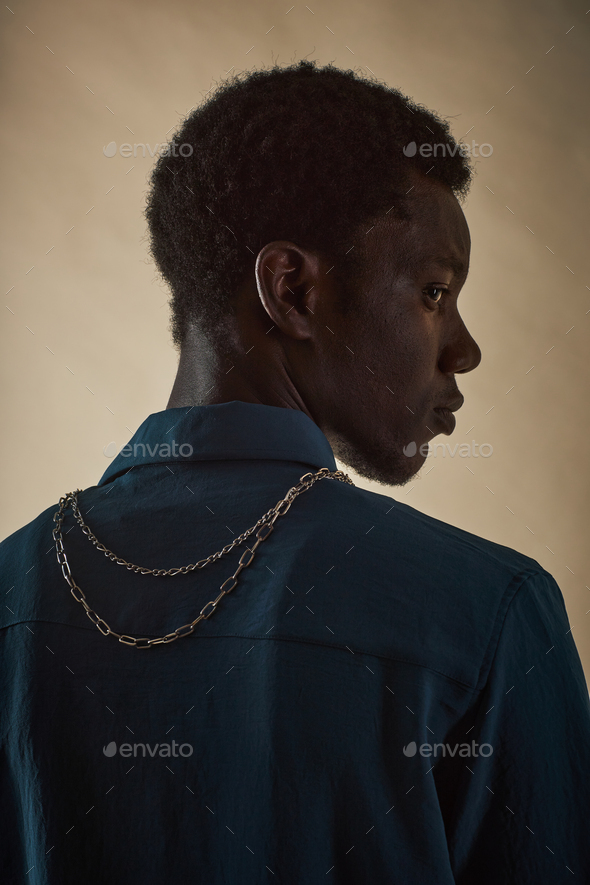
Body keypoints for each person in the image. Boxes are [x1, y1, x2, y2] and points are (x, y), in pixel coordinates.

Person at [1, 60, 588, 885]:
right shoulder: (490, 613)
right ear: (294, 290)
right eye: (433, 290)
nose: (465, 348)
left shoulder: (12, 589)